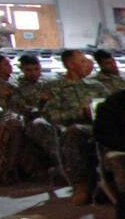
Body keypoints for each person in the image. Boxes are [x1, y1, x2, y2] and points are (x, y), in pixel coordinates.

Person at [32, 49, 106, 204]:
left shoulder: (96, 85)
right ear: (70, 65)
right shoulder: (53, 87)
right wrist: (80, 112)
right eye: (83, 61)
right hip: (69, 129)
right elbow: (50, 115)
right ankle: (81, 184)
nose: (88, 65)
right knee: (74, 132)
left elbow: (109, 105)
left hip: (97, 126)